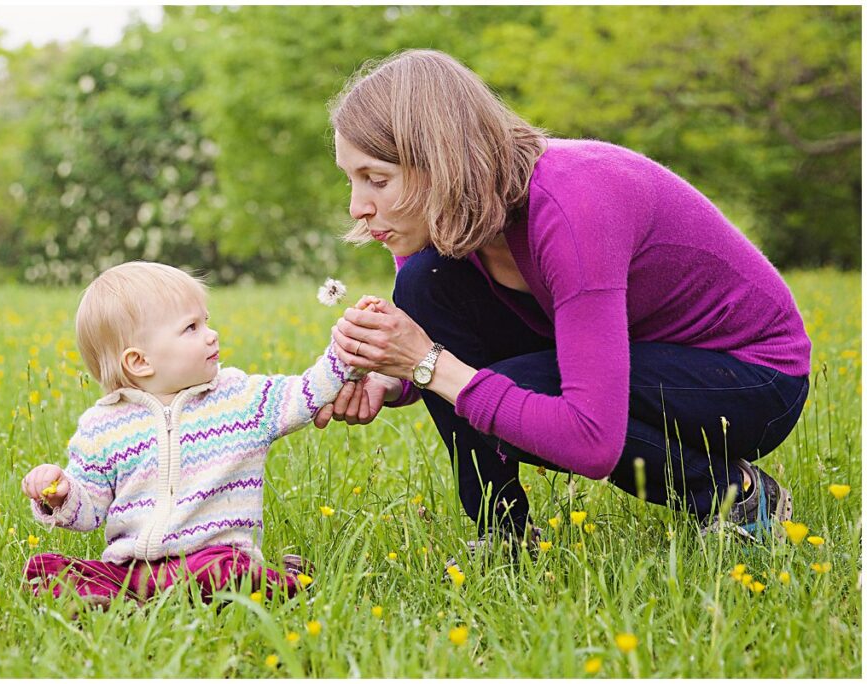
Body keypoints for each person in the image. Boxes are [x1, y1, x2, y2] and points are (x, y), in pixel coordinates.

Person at [315, 49, 811, 551]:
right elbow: (448, 358)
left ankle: (736, 497)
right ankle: (503, 535)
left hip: (749, 378)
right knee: (426, 284)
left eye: (377, 180)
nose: (358, 207)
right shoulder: (443, 226)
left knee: (496, 394)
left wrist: (423, 362)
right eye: (351, 178)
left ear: (441, 163)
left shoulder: (573, 208)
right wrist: (390, 375)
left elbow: (590, 440)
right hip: (635, 355)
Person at [22, 261, 354, 607]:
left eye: (206, 322)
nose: (211, 334)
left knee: (229, 572)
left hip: (210, 559)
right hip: (132, 569)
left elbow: (306, 393)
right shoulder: (102, 426)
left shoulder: (239, 398)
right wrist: (60, 495)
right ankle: (120, 604)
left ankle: (281, 585)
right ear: (139, 362)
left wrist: (346, 350)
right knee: (44, 570)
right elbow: (89, 511)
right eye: (191, 328)